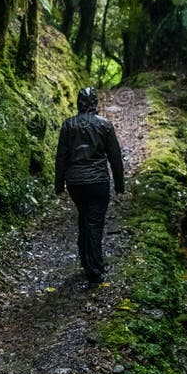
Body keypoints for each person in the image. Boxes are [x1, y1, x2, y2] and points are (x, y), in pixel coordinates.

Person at [55, 86, 124, 283]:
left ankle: (86, 261)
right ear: (95, 103)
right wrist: (119, 183)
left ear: (78, 103)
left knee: (85, 218)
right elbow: (115, 157)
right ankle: (94, 270)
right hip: (98, 182)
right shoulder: (105, 125)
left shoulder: (68, 125)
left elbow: (61, 158)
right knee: (94, 223)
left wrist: (59, 184)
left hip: (75, 183)